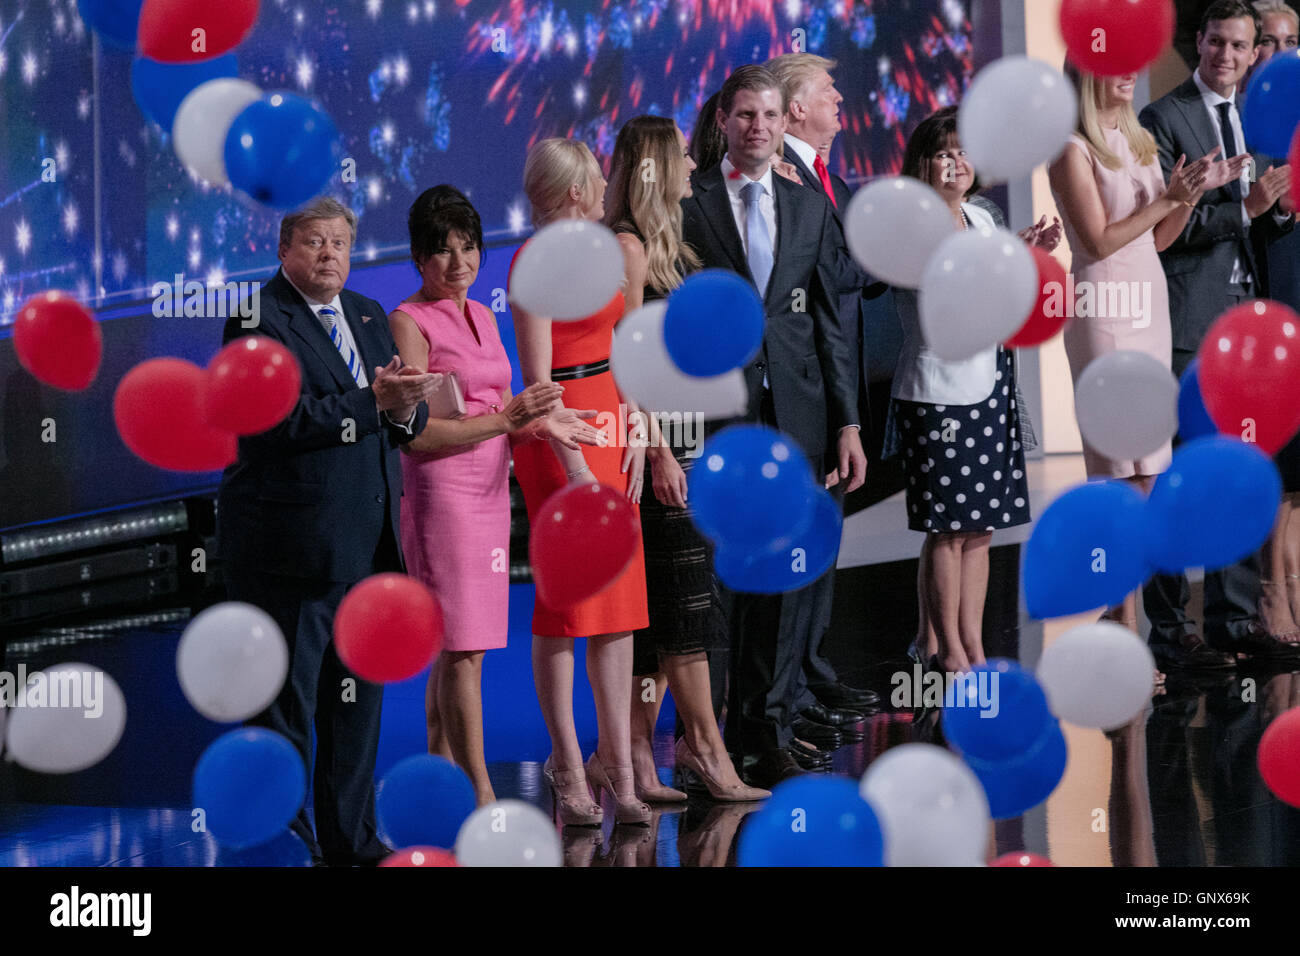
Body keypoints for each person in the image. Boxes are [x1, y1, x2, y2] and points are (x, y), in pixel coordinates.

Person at [217, 196, 438, 866]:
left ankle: (353, 841)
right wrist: (372, 404)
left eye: (340, 243)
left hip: (367, 546)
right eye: (315, 242)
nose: (330, 256)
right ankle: (282, 846)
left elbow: (400, 418)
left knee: (355, 708)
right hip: (293, 553)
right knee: (286, 712)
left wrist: (406, 412)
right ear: (285, 247)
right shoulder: (258, 319)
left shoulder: (369, 314)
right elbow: (266, 424)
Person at [680, 64, 866, 789]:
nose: (758, 128)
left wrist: (847, 423)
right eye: (744, 116)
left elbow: (828, 325)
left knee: (783, 578)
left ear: (785, 124)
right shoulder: (686, 202)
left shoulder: (811, 208)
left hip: (798, 415)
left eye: (769, 116)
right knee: (717, 580)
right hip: (715, 417)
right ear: (723, 120)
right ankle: (711, 741)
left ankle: (767, 730)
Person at [390, 186, 607, 806]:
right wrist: (510, 421)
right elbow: (417, 434)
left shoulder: (483, 315)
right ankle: (480, 793)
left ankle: (441, 773)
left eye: (468, 248)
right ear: (417, 257)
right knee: (463, 646)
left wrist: (545, 423)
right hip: (442, 493)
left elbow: (501, 411)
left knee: (462, 642)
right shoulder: (409, 320)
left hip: (488, 487)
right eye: (442, 252)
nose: (458, 263)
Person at [603, 115, 769, 802]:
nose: (691, 162)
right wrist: (664, 451)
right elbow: (628, 362)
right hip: (656, 446)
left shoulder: (673, 242)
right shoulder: (629, 245)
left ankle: (631, 759)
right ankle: (704, 749)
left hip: (691, 435)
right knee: (687, 605)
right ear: (652, 166)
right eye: (678, 155)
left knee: (667, 614)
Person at [1049, 63, 1233, 673]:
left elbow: (1159, 240)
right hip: (1102, 308)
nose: (1129, 73)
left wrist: (1188, 198)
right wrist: (1167, 201)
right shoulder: (1070, 148)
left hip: (1149, 303)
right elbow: (1097, 242)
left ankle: (1119, 617)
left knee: (1149, 476)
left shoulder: (1141, 140)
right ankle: (1127, 638)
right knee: (1122, 479)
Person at [1138, 0, 1298, 665]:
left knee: (1235, 475)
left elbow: (1259, 219)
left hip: (1246, 328)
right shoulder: (1164, 118)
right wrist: (1245, 209)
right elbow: (1163, 232)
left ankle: (1235, 622)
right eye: (1214, 43)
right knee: (1180, 477)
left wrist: (1276, 215)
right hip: (1188, 322)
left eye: (1238, 45)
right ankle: (1173, 632)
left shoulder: (1254, 124)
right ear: (1197, 44)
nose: (1225, 56)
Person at [510, 138, 652, 825]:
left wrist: (644, 429)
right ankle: (566, 762)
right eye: (596, 180)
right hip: (559, 434)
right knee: (569, 605)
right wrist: (572, 466)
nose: (605, 188)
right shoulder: (532, 266)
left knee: (618, 605)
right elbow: (538, 383)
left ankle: (619, 767)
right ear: (572, 193)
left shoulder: (610, 254)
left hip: (613, 424)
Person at [887, 107, 1052, 674]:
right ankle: (947, 651)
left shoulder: (983, 216)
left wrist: (1024, 253)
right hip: (938, 394)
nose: (956, 162)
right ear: (923, 164)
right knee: (947, 529)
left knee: (980, 529)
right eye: (943, 153)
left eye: (964, 151)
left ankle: (974, 645)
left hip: (990, 386)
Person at [764, 53, 889, 754]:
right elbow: (822, 281)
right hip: (799, 392)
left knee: (820, 543)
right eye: (827, 92)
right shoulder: (778, 179)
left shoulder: (824, 177)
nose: (842, 99)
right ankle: (781, 700)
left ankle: (807, 675)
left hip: (835, 384)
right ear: (797, 108)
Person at [1246, 0, 1300, 642]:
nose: (1280, 52)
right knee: (1275, 466)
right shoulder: (1243, 126)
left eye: (1291, 40)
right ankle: (1271, 595)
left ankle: (1291, 587)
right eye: (1269, 40)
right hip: (1263, 296)